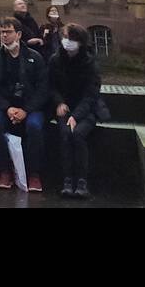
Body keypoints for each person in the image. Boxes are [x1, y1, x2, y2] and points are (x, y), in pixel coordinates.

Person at [0, 15, 49, 193]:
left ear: (18, 34)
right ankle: (5, 171)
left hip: (30, 107)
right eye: (2, 32)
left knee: (35, 127)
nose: (4, 36)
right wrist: (7, 108)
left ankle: (34, 174)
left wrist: (26, 110)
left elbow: (43, 89)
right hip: (5, 106)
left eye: (8, 32)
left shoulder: (35, 57)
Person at [50, 23, 105, 199]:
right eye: (64, 37)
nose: (66, 41)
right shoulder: (55, 60)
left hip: (86, 109)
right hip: (64, 107)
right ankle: (67, 180)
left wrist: (76, 115)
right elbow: (51, 86)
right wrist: (59, 102)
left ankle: (82, 181)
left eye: (70, 38)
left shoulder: (90, 63)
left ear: (79, 41)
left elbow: (91, 94)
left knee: (78, 134)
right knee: (65, 134)